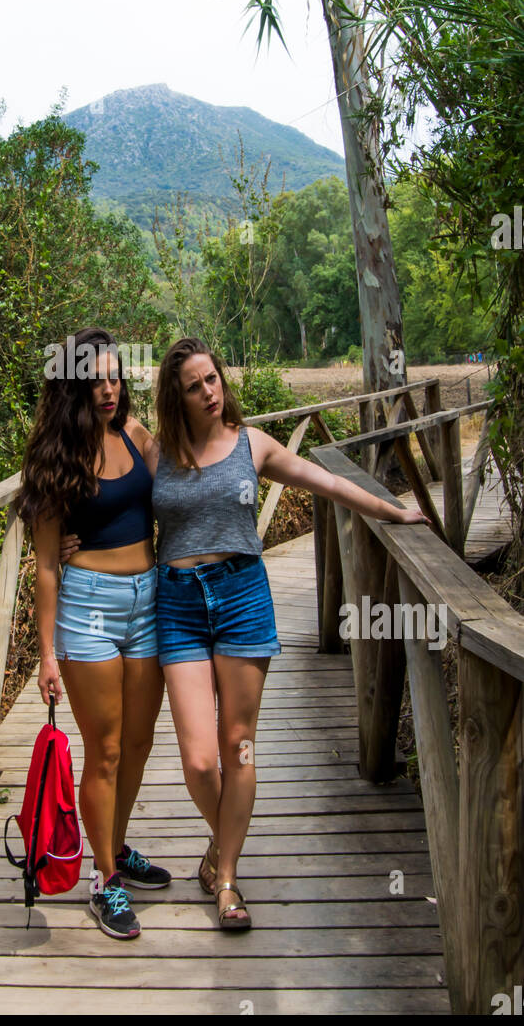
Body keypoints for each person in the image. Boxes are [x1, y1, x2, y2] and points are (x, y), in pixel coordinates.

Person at [149, 337, 431, 931]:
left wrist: (394, 511)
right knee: (200, 761)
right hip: (176, 604)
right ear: (175, 397)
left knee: (239, 743)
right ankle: (219, 844)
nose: (209, 391)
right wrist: (69, 537)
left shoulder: (253, 445)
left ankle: (225, 879)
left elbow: (325, 483)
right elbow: (114, 500)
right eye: (195, 385)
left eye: (213, 379)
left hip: (242, 599)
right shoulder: (159, 453)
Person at [14, 327, 170, 940]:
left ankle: (117, 842)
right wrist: (46, 654)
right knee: (103, 750)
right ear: (74, 386)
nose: (109, 389)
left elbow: (179, 479)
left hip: (149, 602)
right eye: (96, 380)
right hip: (90, 610)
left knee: (137, 743)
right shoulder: (57, 456)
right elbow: (46, 566)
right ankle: (104, 881)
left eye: (115, 377)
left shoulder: (134, 434)